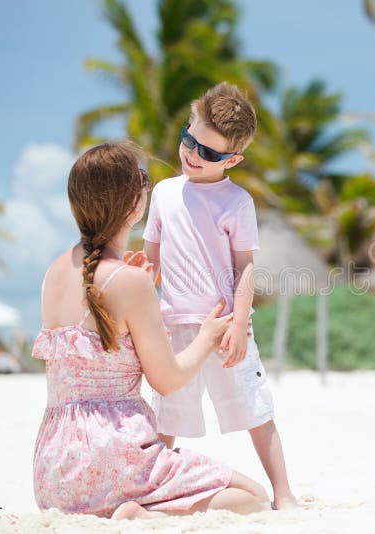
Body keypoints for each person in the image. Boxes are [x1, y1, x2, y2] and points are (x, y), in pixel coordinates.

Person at [32, 141, 269, 519]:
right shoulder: (130, 281)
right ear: (135, 203)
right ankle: (147, 516)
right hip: (116, 458)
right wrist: (207, 337)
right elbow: (168, 380)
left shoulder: (54, 273)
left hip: (55, 472)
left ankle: (132, 509)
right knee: (252, 495)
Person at [143, 82, 297, 509]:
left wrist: (241, 324)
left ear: (233, 160)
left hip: (226, 325)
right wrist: (143, 315)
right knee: (167, 415)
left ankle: (283, 493)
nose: (192, 155)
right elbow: (150, 261)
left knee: (255, 410)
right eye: (188, 140)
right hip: (174, 326)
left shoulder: (237, 202)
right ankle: (149, 491)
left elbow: (245, 266)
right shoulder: (163, 193)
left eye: (207, 153)